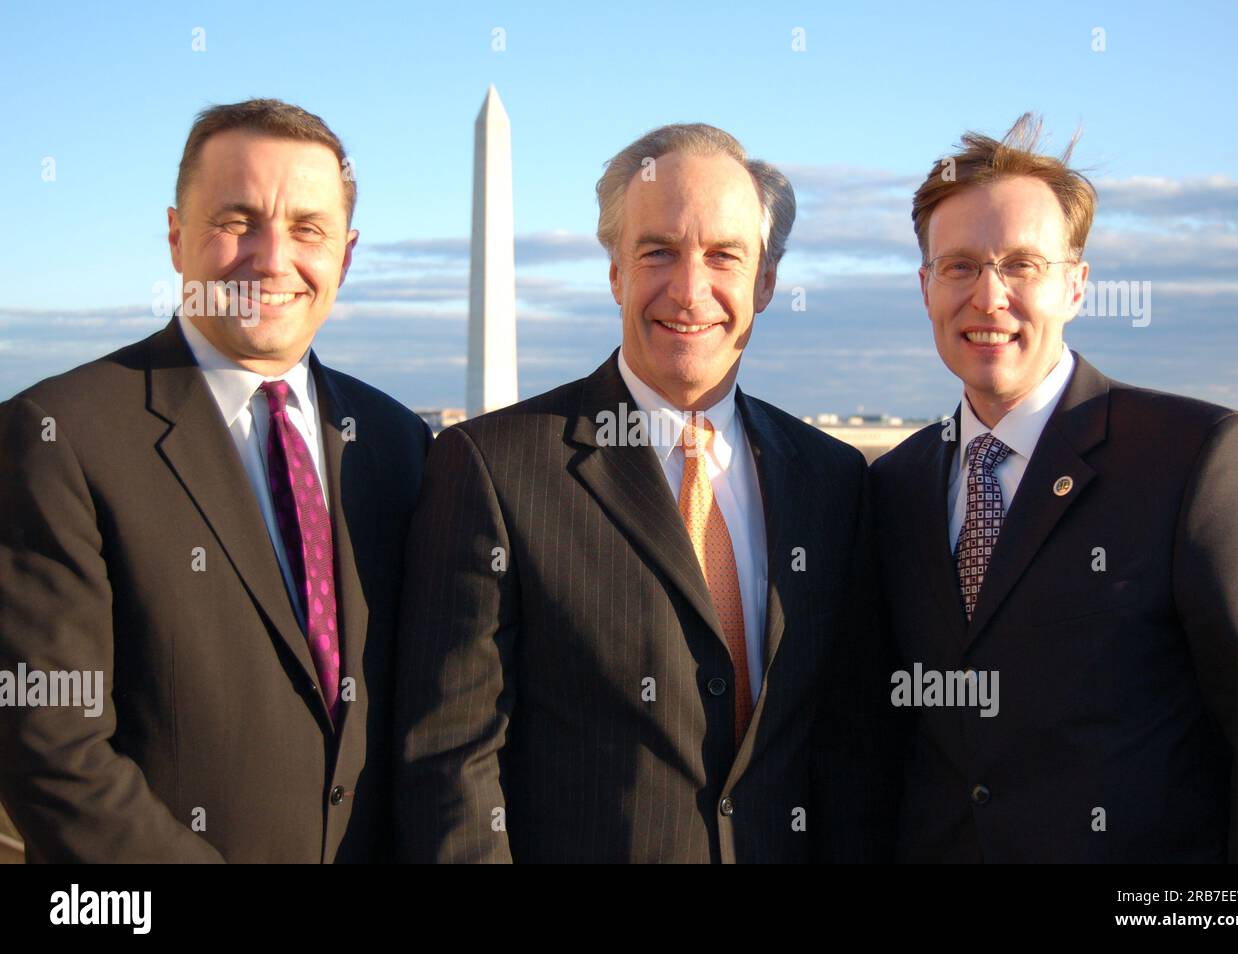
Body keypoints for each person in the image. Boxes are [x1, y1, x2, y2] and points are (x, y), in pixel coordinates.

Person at [397, 123, 895, 863]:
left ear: (765, 282)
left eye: (724, 256)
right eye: (658, 250)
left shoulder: (831, 478)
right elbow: (451, 763)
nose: (690, 290)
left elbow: (851, 748)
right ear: (615, 273)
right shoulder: (492, 467)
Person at [0, 99, 430, 862]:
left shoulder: (397, 444)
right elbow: (52, 752)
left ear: (347, 255)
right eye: (237, 221)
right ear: (175, 237)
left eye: (308, 229)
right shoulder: (57, 436)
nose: (271, 258)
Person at [872, 113, 1238, 862]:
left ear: (1076, 286)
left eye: (1021, 266)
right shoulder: (893, 485)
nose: (988, 297)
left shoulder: (1194, 459)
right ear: (925, 287)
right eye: (960, 266)